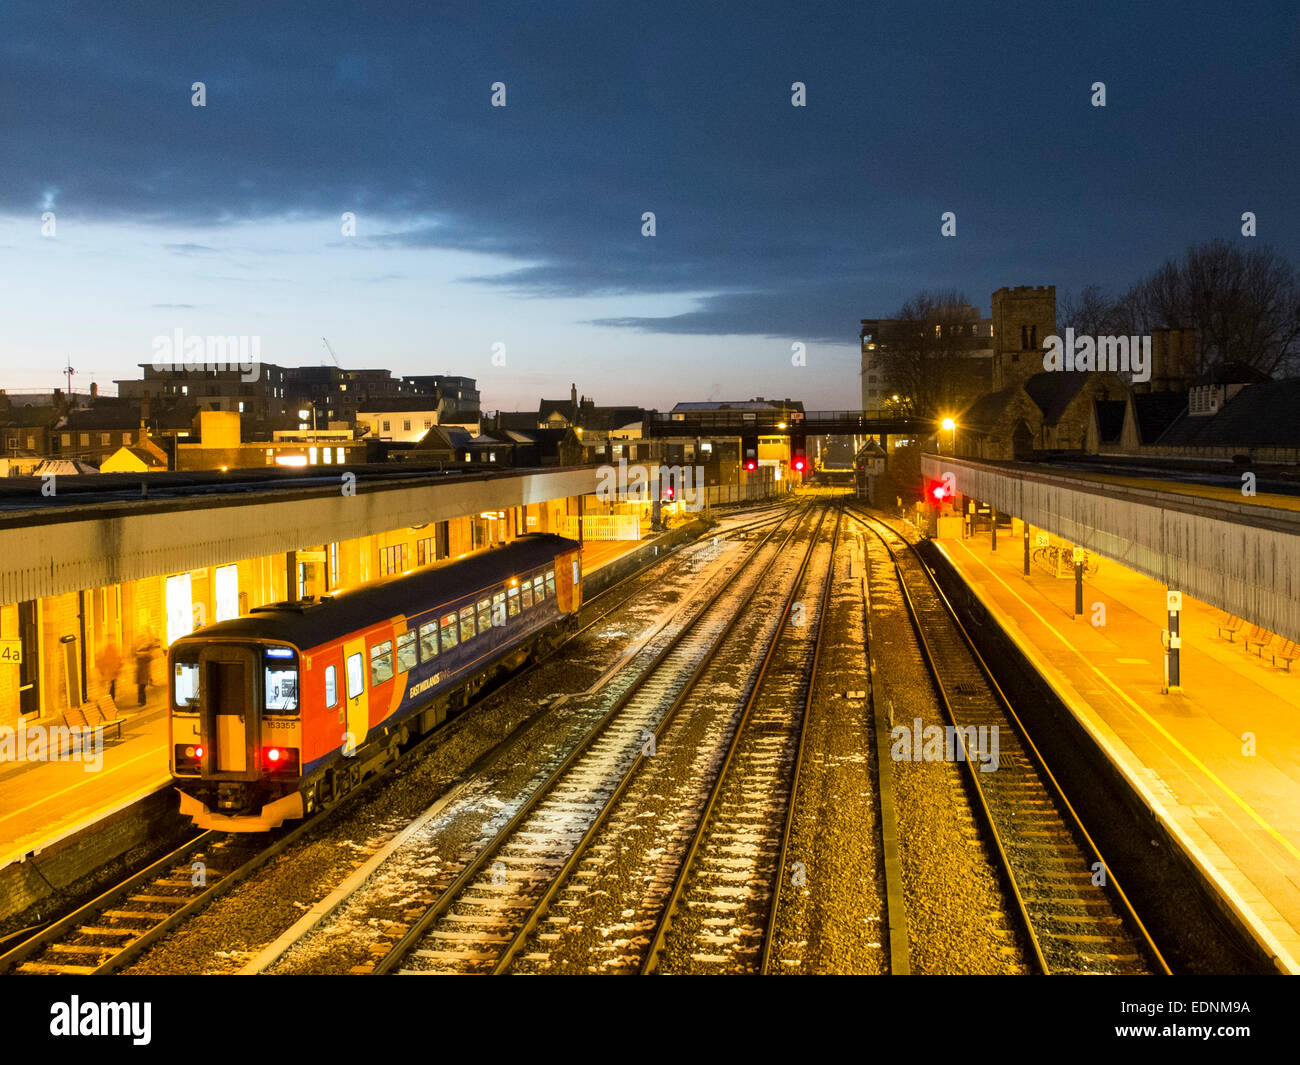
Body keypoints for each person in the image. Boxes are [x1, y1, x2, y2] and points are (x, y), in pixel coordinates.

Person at [134, 628, 159, 707]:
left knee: (141, 688)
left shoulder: (144, 657)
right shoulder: (144, 657)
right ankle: (141, 701)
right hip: (142, 675)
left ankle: (142, 702)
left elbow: (151, 645)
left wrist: (150, 633)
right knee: (141, 688)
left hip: (143, 676)